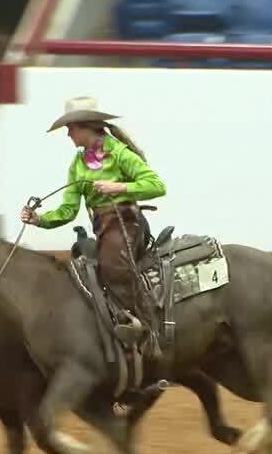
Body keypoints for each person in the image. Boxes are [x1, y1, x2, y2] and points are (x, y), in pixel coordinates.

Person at [20, 96, 168, 361]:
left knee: (114, 267)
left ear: (84, 126)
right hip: (104, 228)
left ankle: (148, 334)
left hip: (127, 223)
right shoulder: (78, 165)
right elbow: (67, 211)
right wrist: (39, 219)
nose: (67, 134)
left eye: (70, 128)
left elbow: (157, 185)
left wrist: (119, 187)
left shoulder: (120, 154)